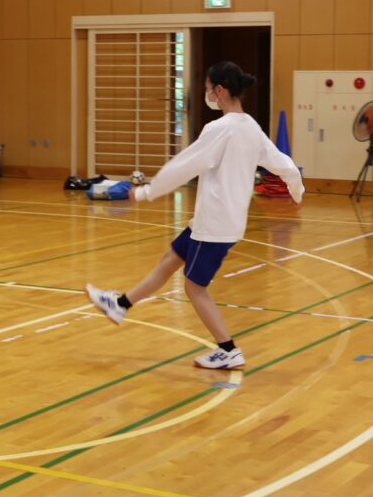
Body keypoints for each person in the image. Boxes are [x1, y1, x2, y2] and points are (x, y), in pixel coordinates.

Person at [86, 61, 304, 370]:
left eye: (206, 90)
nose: (205, 95)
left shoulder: (220, 129)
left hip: (214, 225)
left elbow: (183, 166)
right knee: (170, 259)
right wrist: (297, 188)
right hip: (215, 221)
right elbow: (281, 162)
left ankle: (228, 350)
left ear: (220, 90)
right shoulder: (251, 127)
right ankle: (120, 305)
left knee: (194, 287)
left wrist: (146, 192)